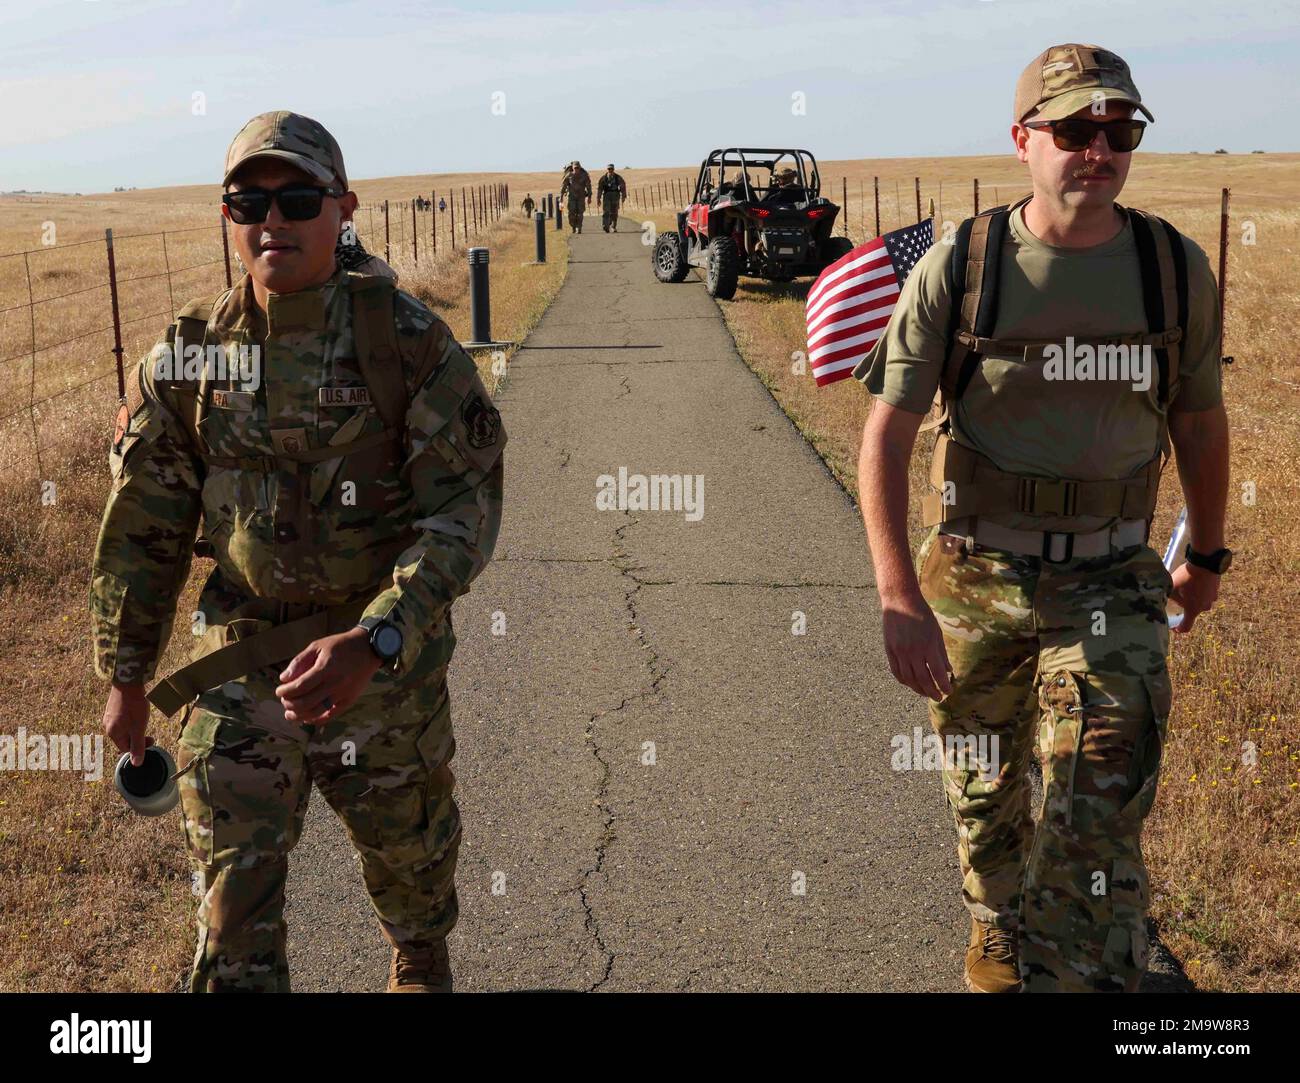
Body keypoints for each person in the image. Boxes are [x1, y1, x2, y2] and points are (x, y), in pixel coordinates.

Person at [91, 110, 506, 993]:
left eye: (297, 198)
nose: (271, 219)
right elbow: (146, 525)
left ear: (342, 208)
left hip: (381, 664)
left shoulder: (407, 344)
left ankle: (417, 959)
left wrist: (379, 639)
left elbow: (461, 516)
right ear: (228, 216)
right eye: (249, 201)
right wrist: (127, 677)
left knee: (414, 866)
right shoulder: (190, 356)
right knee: (232, 913)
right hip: (241, 667)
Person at [853, 43, 1228, 993]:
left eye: (1119, 131)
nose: (1097, 149)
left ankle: (1085, 966)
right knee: (984, 786)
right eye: (1074, 130)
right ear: (1023, 140)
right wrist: (898, 592)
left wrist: (1210, 553)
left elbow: (1199, 420)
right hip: (977, 570)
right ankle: (994, 916)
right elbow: (886, 434)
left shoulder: (1171, 269)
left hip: (1110, 575)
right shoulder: (964, 264)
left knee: (1096, 790)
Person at [561, 160, 591, 234]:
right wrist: (561, 197)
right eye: (575, 168)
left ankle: (579, 227)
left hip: (581, 197)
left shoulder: (584, 176)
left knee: (580, 213)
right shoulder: (569, 175)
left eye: (577, 168)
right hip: (572, 197)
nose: (576, 169)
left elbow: (588, 187)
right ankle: (573, 226)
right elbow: (563, 187)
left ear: (580, 168)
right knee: (571, 213)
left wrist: (589, 197)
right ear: (573, 168)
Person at [595, 164, 626, 232]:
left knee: (614, 212)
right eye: (609, 169)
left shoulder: (618, 177)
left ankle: (613, 226)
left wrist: (623, 196)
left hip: (615, 195)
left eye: (611, 169)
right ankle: (605, 225)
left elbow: (623, 186)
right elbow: (600, 189)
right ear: (607, 169)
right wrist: (598, 198)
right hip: (606, 196)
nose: (610, 170)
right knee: (606, 211)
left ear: (613, 169)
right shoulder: (603, 178)